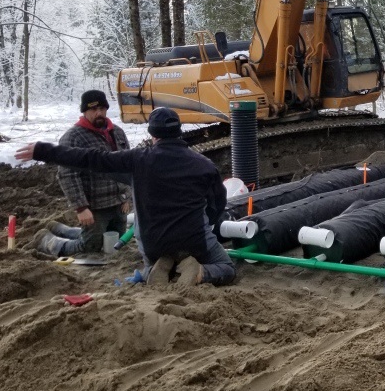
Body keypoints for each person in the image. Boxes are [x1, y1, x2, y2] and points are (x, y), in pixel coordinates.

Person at [16, 108, 236, 286]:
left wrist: (43, 151)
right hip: (194, 241)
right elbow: (218, 204)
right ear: (179, 131)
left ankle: (154, 269)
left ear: (153, 135)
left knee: (151, 252)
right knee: (226, 268)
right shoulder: (204, 165)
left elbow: (92, 158)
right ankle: (200, 272)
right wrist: (207, 222)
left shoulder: (137, 160)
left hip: (153, 244)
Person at [38, 90, 132, 257]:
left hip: (118, 203)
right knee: (90, 246)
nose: (98, 113)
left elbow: (127, 165)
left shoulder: (117, 132)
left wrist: (127, 196)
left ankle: (61, 229)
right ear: (84, 111)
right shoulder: (73, 137)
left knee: (116, 242)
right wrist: (81, 207)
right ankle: (46, 240)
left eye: (102, 109)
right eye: (93, 109)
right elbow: (67, 175)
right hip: (95, 205)